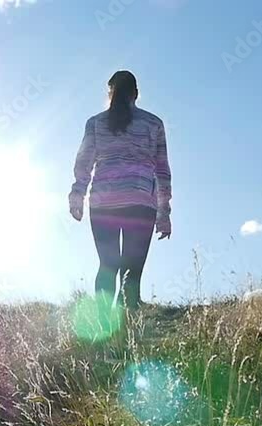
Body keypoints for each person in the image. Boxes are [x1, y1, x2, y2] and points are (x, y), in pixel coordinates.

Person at [69, 70, 172, 311]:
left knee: (107, 266)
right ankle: (127, 332)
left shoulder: (95, 123)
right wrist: (164, 212)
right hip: (140, 203)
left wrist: (77, 194)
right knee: (132, 272)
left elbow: (83, 163)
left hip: (103, 203)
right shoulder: (153, 123)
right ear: (136, 94)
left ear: (110, 93)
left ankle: (103, 330)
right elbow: (162, 170)